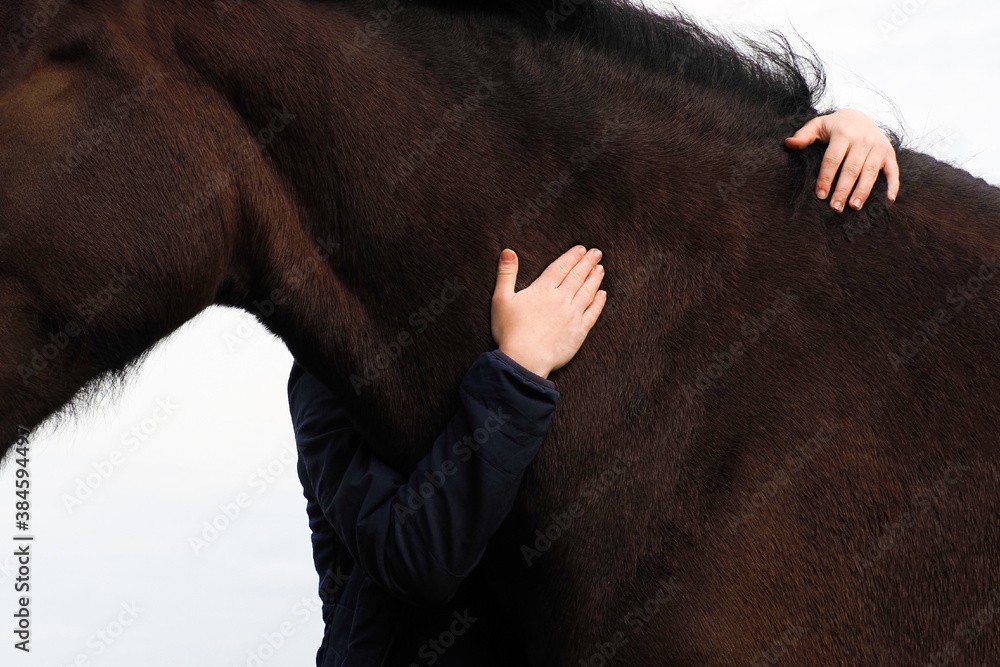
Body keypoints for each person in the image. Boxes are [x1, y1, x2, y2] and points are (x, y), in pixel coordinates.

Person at [288, 110, 900, 667]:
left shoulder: (560, 285)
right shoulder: (333, 364)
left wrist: (844, 136)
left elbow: (674, 168)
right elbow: (415, 557)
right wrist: (520, 369)